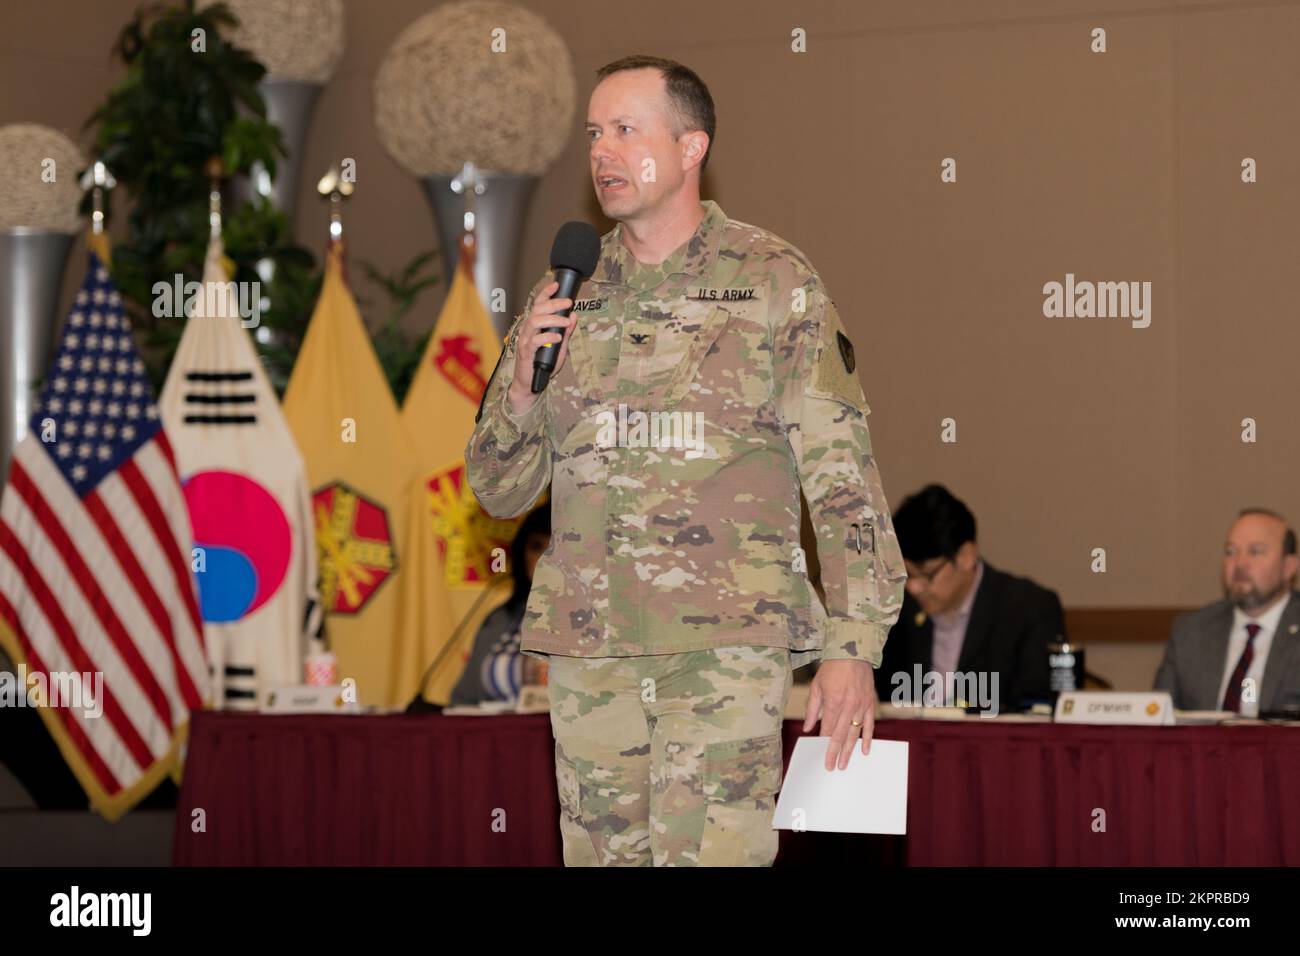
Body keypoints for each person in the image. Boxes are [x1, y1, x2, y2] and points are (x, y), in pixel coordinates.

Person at [465, 55, 905, 867]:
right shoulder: (565, 295)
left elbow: (842, 475)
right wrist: (522, 394)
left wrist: (852, 648)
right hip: (589, 650)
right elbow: (496, 491)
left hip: (724, 647)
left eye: (626, 130)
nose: (602, 152)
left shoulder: (774, 281)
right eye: (594, 133)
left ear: (691, 145)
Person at [874, 484, 1062, 712]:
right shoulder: (896, 610)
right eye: (907, 575)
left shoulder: (1028, 608)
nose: (913, 587)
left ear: (966, 556)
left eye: (926, 575)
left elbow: (1036, 710)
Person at [1155, 509, 1300, 716]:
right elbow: (1157, 722)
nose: (1240, 564)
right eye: (1231, 552)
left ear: (1289, 566)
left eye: (1255, 551)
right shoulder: (1191, 632)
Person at [449, 505, 552, 707]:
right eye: (537, 546)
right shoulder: (500, 618)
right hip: (498, 735)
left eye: (556, 547)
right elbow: (463, 701)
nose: (545, 559)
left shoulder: (600, 617)